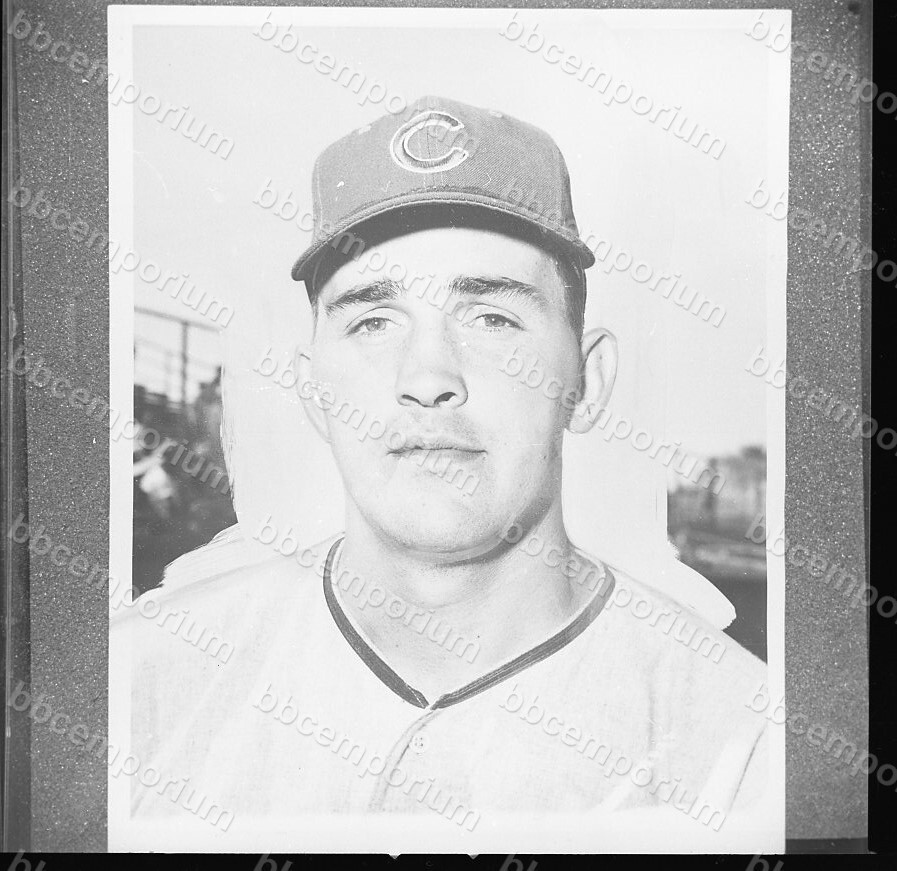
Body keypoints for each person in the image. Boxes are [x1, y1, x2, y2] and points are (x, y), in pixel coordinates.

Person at [117, 96, 767, 837]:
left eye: (492, 317)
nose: (427, 375)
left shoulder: (746, 743)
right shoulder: (133, 684)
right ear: (312, 389)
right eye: (371, 320)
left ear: (587, 380)